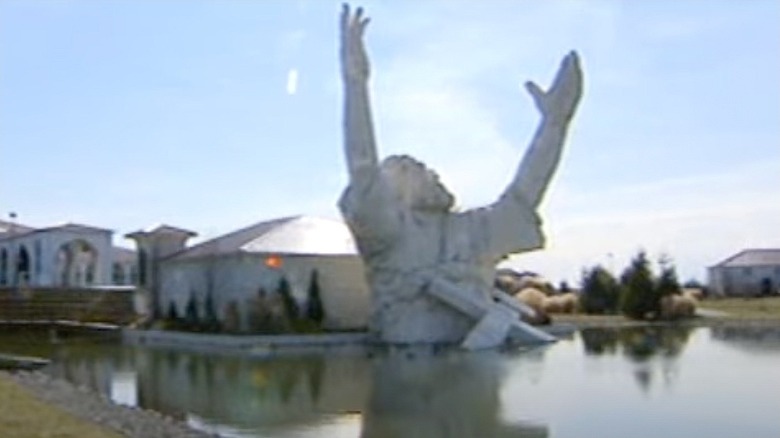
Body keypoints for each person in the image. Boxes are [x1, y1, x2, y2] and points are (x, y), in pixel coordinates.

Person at [338, 5, 583, 344]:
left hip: (481, 371)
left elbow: (525, 193)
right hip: (408, 368)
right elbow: (362, 164)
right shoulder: (391, 235)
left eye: (425, 168)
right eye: (411, 169)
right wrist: (356, 84)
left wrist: (554, 125)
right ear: (394, 194)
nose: (428, 172)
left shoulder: (473, 228)